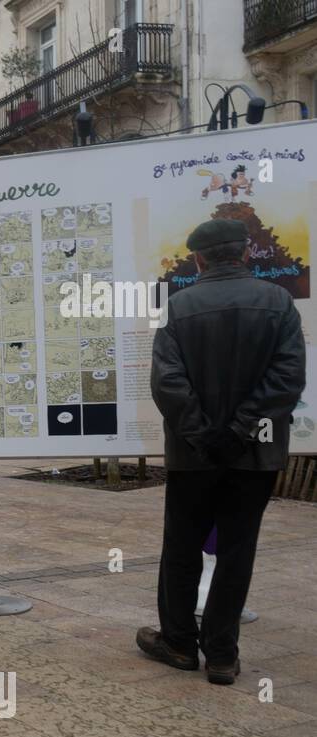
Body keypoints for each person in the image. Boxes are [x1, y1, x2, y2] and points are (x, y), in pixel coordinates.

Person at [140, 218, 306, 685]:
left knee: (181, 547)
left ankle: (176, 643)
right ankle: (222, 654)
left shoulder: (178, 307)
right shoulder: (279, 303)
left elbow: (168, 383)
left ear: (199, 259)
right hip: (255, 455)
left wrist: (205, 434)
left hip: (194, 456)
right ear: (247, 254)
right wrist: (241, 430)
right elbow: (287, 380)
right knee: (236, 549)